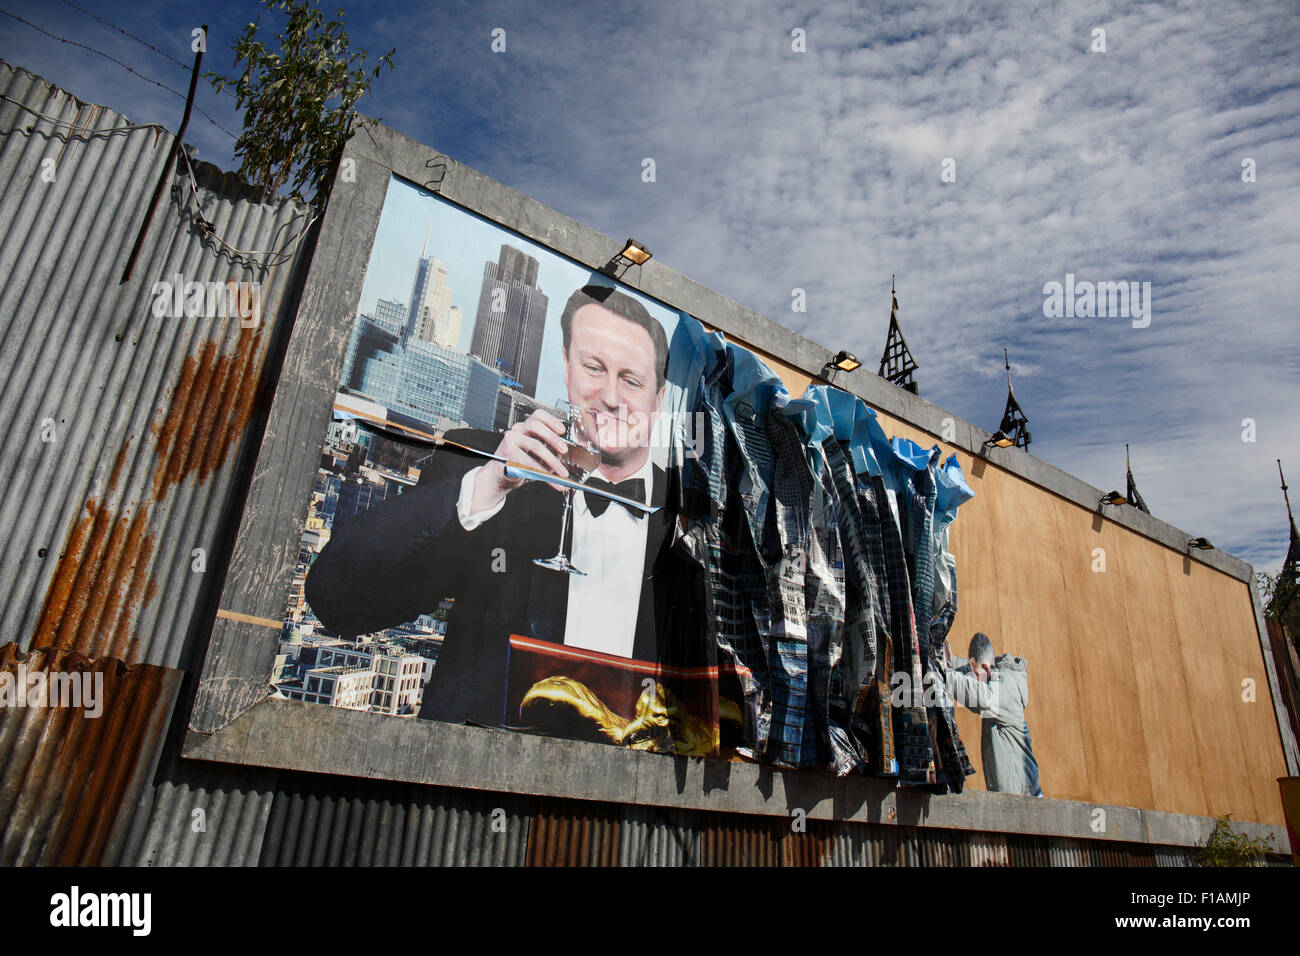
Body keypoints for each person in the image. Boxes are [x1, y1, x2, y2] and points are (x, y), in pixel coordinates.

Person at [306, 284, 705, 728]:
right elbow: (336, 601)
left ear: (660, 396)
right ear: (567, 367)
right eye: (594, 368)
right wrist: (487, 484)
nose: (610, 397)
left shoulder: (690, 514)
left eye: (631, 380)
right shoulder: (485, 463)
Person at [946, 632, 1043, 796]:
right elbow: (966, 670)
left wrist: (944, 676)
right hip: (1012, 798)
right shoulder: (991, 675)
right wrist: (947, 661)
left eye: (977, 676)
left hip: (1025, 798)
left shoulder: (1006, 688)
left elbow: (983, 698)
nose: (976, 681)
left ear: (985, 669)